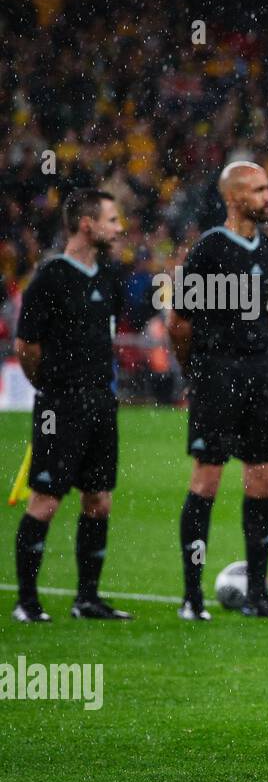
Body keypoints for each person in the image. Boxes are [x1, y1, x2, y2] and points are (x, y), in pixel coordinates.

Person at [168, 160, 268, 620]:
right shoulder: (208, 250)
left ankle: (258, 594)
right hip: (216, 372)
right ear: (235, 196)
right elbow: (179, 323)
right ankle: (191, 595)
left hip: (258, 370)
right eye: (259, 190)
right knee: (207, 479)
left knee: (262, 480)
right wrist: (196, 372)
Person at [13, 189, 131, 622]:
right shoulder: (50, 277)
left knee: (98, 499)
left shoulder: (107, 276)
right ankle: (27, 602)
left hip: (101, 400)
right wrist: (48, 387)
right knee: (45, 499)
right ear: (87, 224)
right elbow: (26, 345)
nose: (119, 229)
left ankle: (87, 599)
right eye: (112, 220)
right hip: (59, 404)